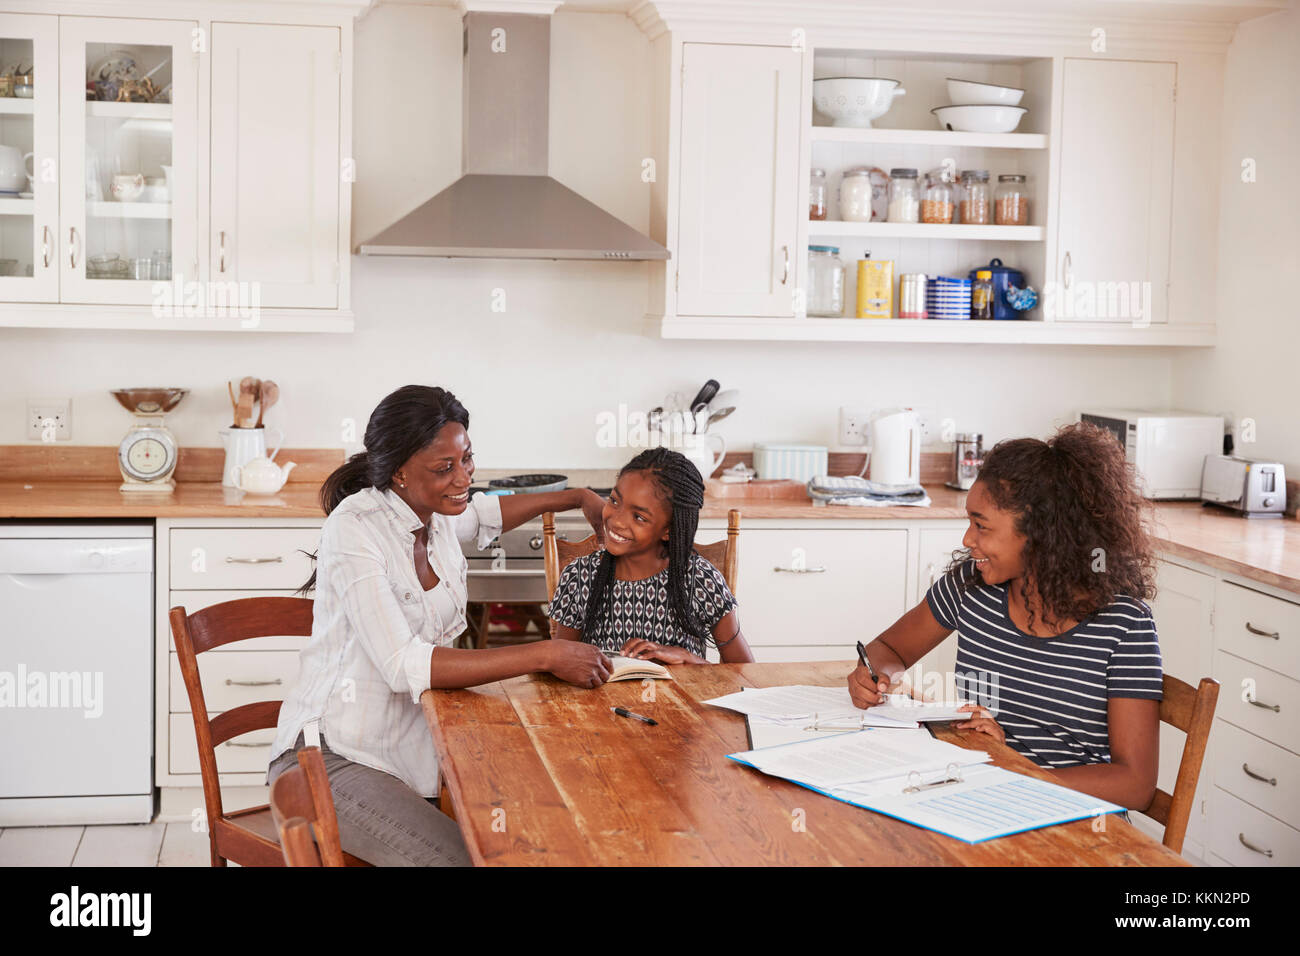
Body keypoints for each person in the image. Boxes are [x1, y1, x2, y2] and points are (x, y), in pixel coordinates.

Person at [267, 385, 613, 866]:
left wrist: (576, 496)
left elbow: (486, 513)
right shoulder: (355, 528)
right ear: (398, 472)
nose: (463, 478)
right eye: (444, 468)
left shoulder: (435, 511)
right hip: (332, 758)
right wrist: (544, 653)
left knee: (535, 836)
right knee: (461, 861)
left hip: (412, 752)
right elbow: (401, 664)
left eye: (467, 459)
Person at [847, 422, 1163, 811]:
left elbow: (1134, 785)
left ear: (1041, 533)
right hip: (985, 800)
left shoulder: (1123, 625)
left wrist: (1011, 773)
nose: (967, 540)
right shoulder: (970, 588)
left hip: (1077, 823)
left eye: (981, 526)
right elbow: (890, 647)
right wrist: (876, 675)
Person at [549, 447, 754, 665]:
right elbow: (562, 665)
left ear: (668, 529)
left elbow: (745, 673)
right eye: (615, 501)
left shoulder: (700, 579)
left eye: (638, 517)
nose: (617, 521)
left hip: (681, 700)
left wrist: (688, 659)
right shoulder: (579, 576)